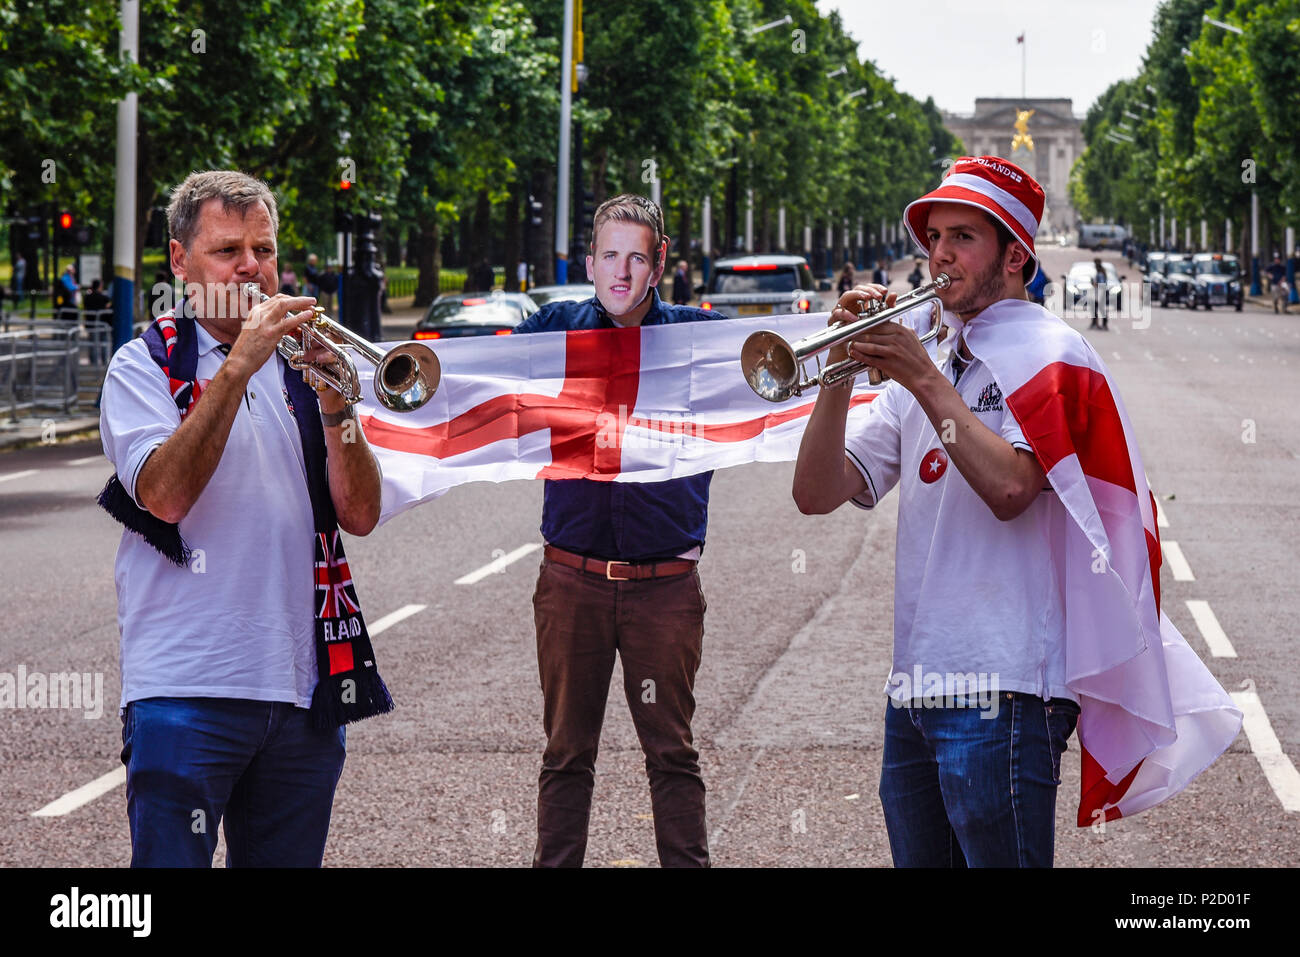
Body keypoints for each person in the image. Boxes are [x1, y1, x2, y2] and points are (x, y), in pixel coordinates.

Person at [792, 156, 1084, 867]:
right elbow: (816, 492)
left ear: (1015, 256)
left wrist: (919, 374)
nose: (939, 256)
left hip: (1007, 686)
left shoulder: (1050, 356)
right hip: (917, 686)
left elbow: (1013, 490)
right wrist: (836, 369)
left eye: (962, 237)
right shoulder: (932, 362)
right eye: (933, 238)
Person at [98, 170, 389, 867]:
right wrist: (236, 366)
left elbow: (362, 512)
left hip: (299, 690)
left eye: (263, 249)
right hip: (183, 691)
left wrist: (335, 403)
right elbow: (164, 494)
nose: (252, 267)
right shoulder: (141, 368)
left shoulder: (300, 369)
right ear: (180, 261)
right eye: (229, 250)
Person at [513, 194, 716, 867]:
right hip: (570, 579)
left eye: (637, 256)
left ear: (659, 263)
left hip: (665, 586)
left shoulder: (697, 337)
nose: (621, 271)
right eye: (609, 255)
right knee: (566, 753)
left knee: (672, 754)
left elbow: (781, 379)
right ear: (590, 262)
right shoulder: (552, 330)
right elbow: (475, 383)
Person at [81, 278, 112, 365]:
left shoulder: (87, 297)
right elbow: (108, 306)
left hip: (91, 324)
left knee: (93, 344)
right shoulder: (103, 298)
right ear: (100, 286)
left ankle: (93, 363)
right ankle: (104, 362)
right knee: (104, 344)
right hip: (102, 324)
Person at [1091, 257, 1109, 330]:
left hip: (1100, 293)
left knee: (1099, 309)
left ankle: (1100, 324)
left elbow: (1101, 284)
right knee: (1099, 309)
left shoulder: (1100, 274)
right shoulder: (1101, 272)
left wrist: (1094, 283)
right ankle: (1097, 323)